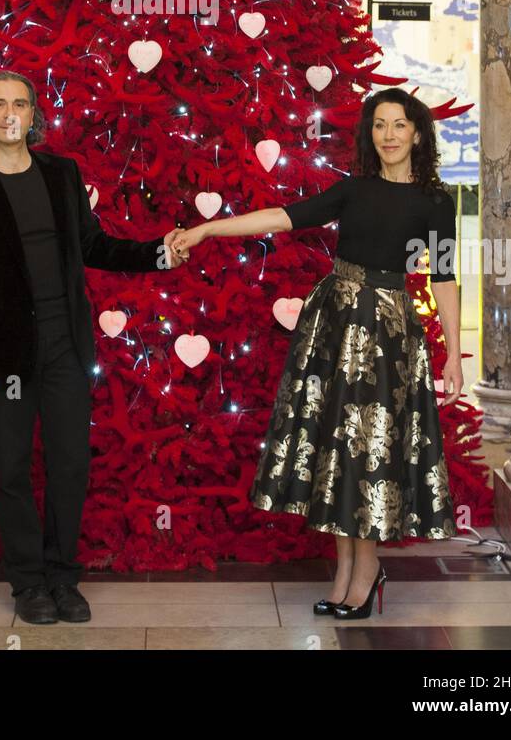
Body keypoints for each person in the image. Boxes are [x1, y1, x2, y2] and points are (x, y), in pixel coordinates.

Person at [171, 87, 462, 620]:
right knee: (334, 444)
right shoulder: (354, 189)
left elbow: (443, 277)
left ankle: (365, 572)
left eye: (399, 125)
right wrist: (210, 228)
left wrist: (455, 356)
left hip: (386, 334)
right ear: (368, 134)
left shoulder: (435, 200)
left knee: (367, 447)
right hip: (332, 326)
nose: (388, 135)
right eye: (378, 125)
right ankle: (346, 573)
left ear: (417, 133)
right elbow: (285, 216)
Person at [0, 70, 187, 625]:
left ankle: (62, 576)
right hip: (3, 355)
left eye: (19, 104)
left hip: (65, 344)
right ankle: (28, 585)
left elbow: (93, 245)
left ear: (32, 116)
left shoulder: (62, 175)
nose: (8, 113)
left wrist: (158, 255)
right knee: (10, 468)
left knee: (70, 464)